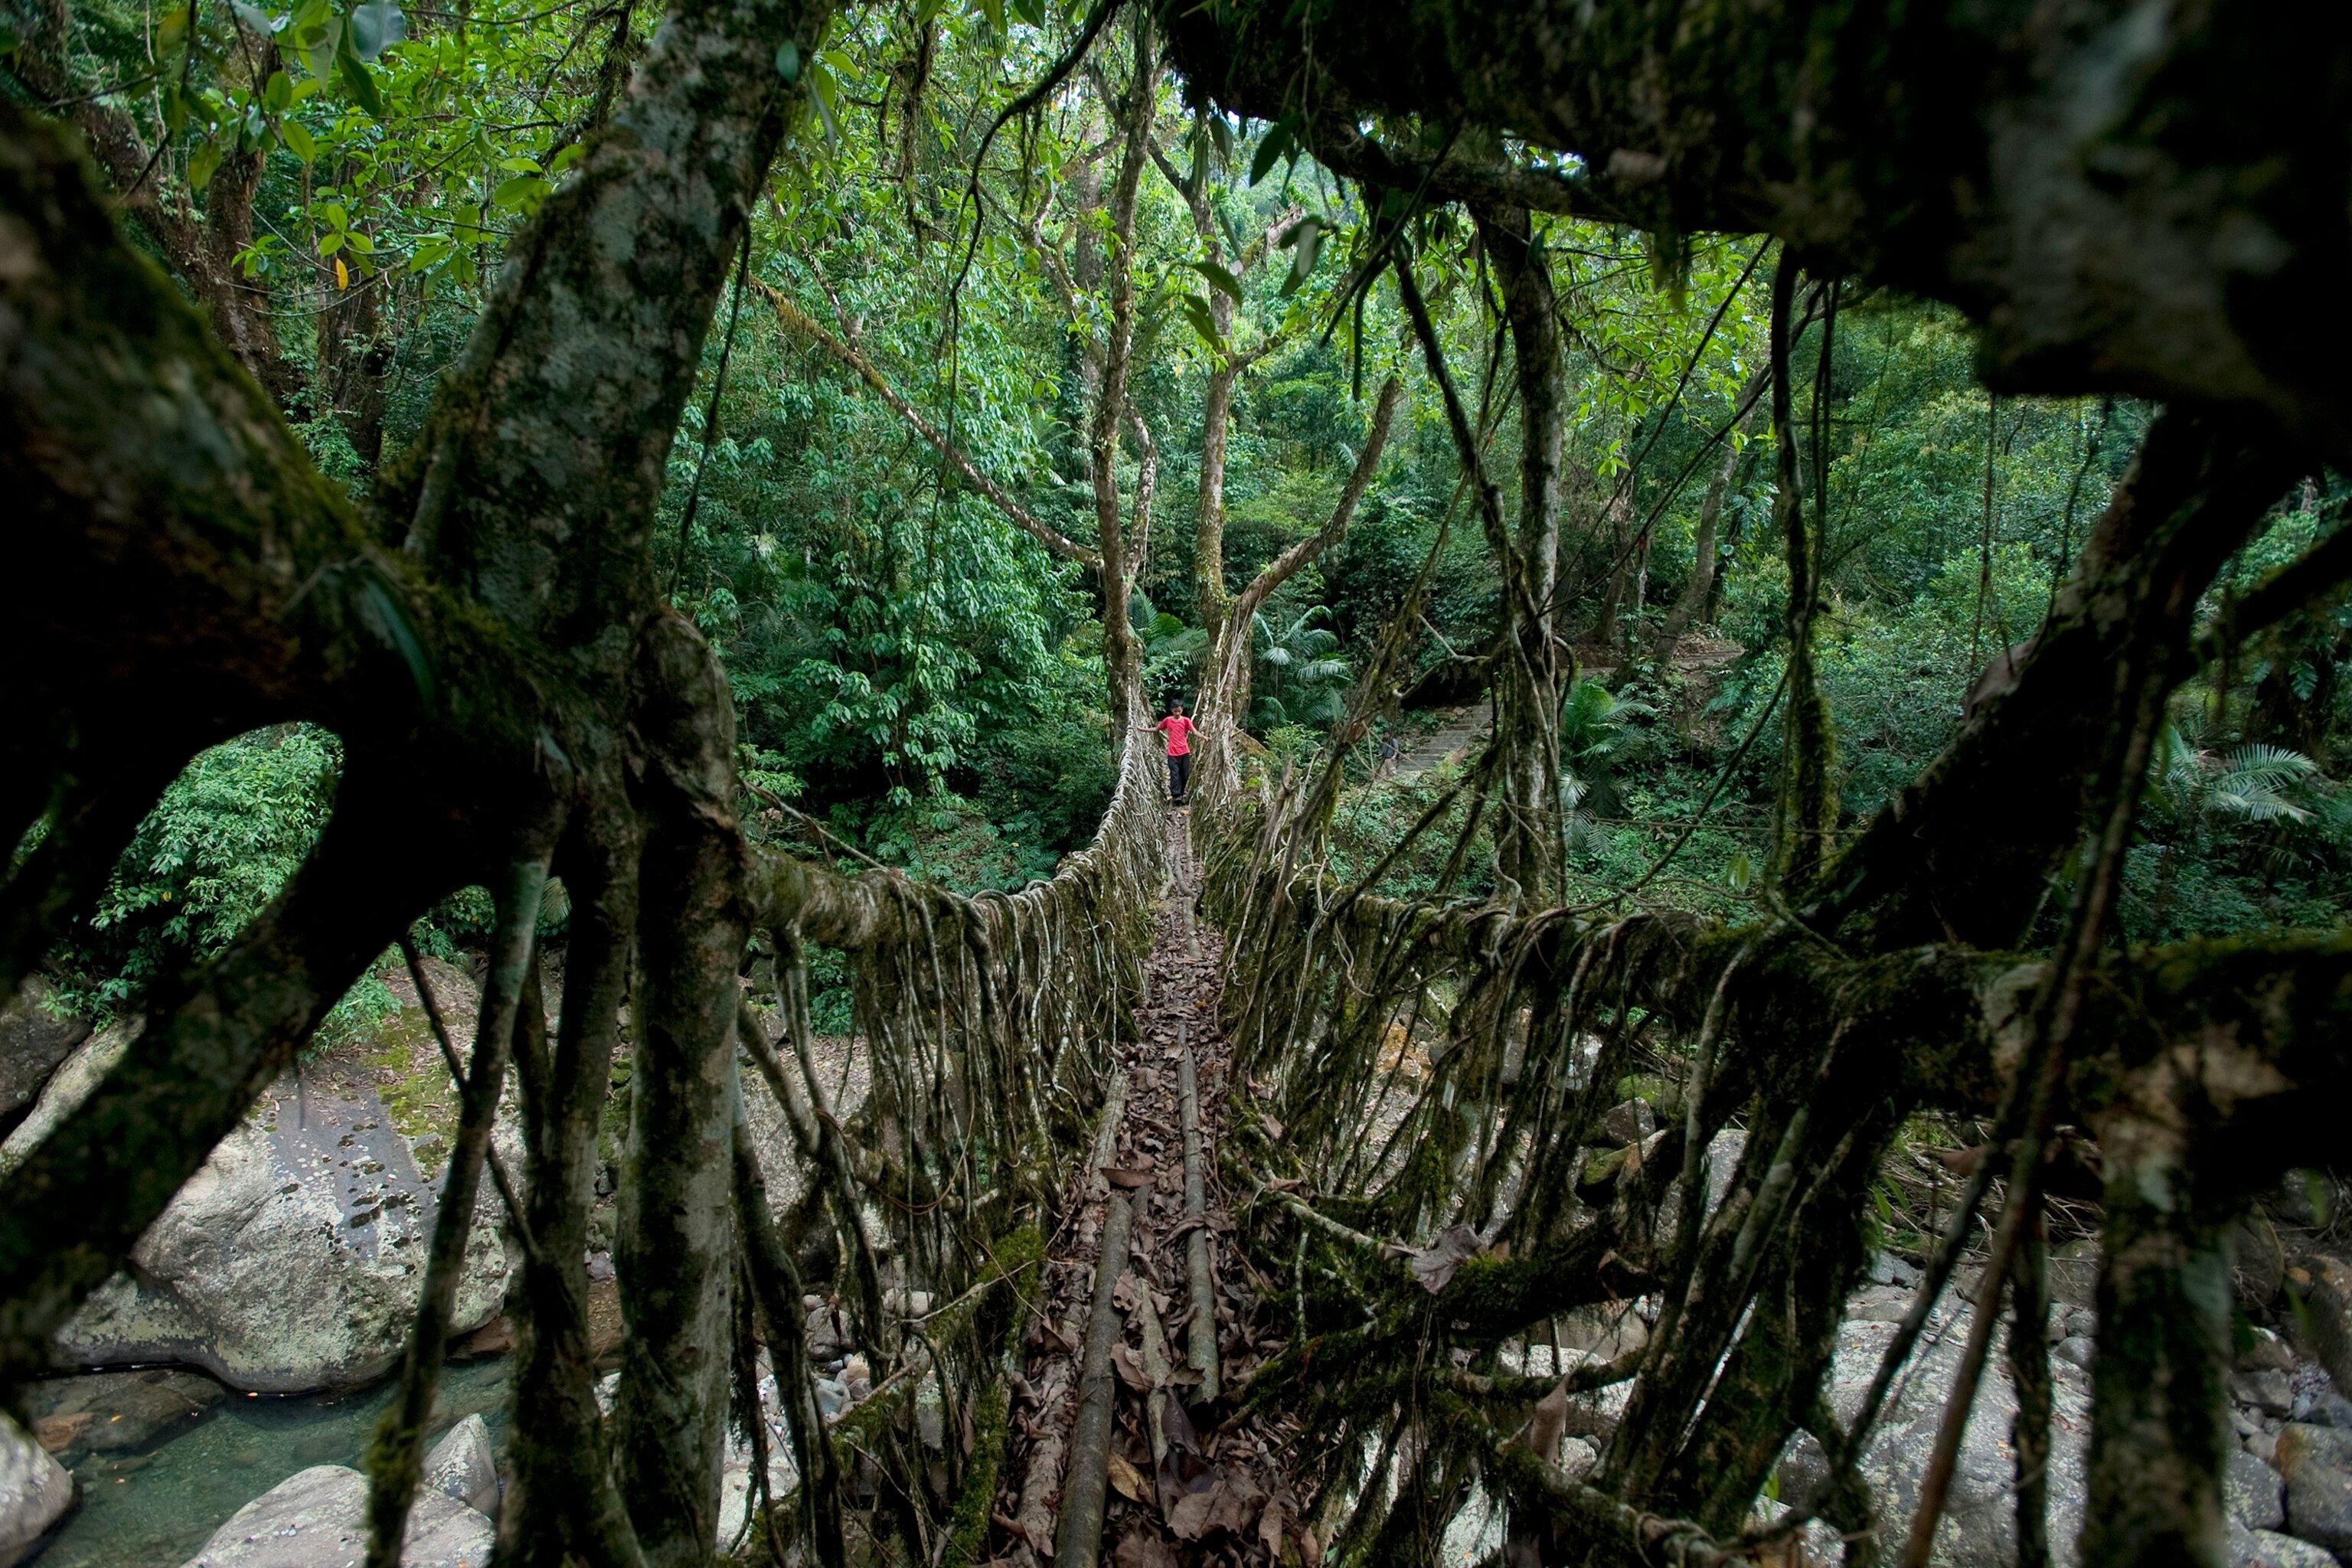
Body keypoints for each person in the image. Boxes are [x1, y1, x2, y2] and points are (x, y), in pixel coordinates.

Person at [1140, 700, 1196, 807]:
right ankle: (1176, 796)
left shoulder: (1186, 721)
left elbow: (1194, 731)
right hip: (1172, 753)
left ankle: (1180, 792)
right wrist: (1143, 730)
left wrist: (1204, 737)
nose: (1177, 714)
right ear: (1172, 710)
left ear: (1182, 710)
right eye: (1175, 711)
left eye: (1179, 711)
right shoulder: (1168, 721)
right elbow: (1157, 729)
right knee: (1175, 774)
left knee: (1184, 775)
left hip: (1184, 752)